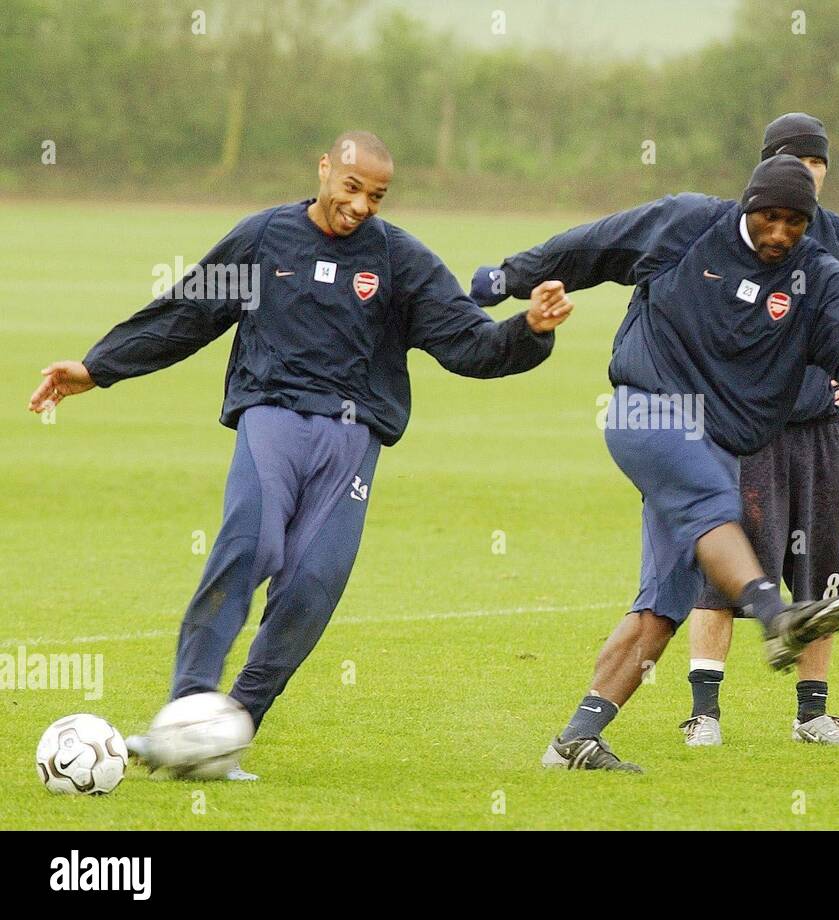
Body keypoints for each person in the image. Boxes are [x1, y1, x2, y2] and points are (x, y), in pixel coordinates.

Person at [27, 131, 573, 778]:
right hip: (271, 417)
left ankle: (226, 731)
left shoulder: (401, 260)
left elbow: (467, 343)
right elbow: (186, 314)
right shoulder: (263, 239)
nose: (361, 205)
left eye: (376, 196)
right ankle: (186, 712)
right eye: (352, 187)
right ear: (323, 170)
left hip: (353, 439)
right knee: (249, 547)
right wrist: (98, 367)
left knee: (313, 585)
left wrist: (529, 330)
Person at [472, 155, 839, 771]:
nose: (781, 233)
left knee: (663, 605)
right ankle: (773, 614)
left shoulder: (819, 276)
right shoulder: (688, 224)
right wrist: (509, 276)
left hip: (718, 443)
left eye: (796, 223)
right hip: (647, 409)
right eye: (770, 218)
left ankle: (575, 740)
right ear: (748, 206)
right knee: (716, 506)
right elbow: (592, 247)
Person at [681, 113, 839, 748]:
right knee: (724, 570)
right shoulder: (725, 239)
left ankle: (812, 714)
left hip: (821, 436)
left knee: (821, 577)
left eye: (815, 163)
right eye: (792, 160)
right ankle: (704, 714)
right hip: (745, 435)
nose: (806, 173)